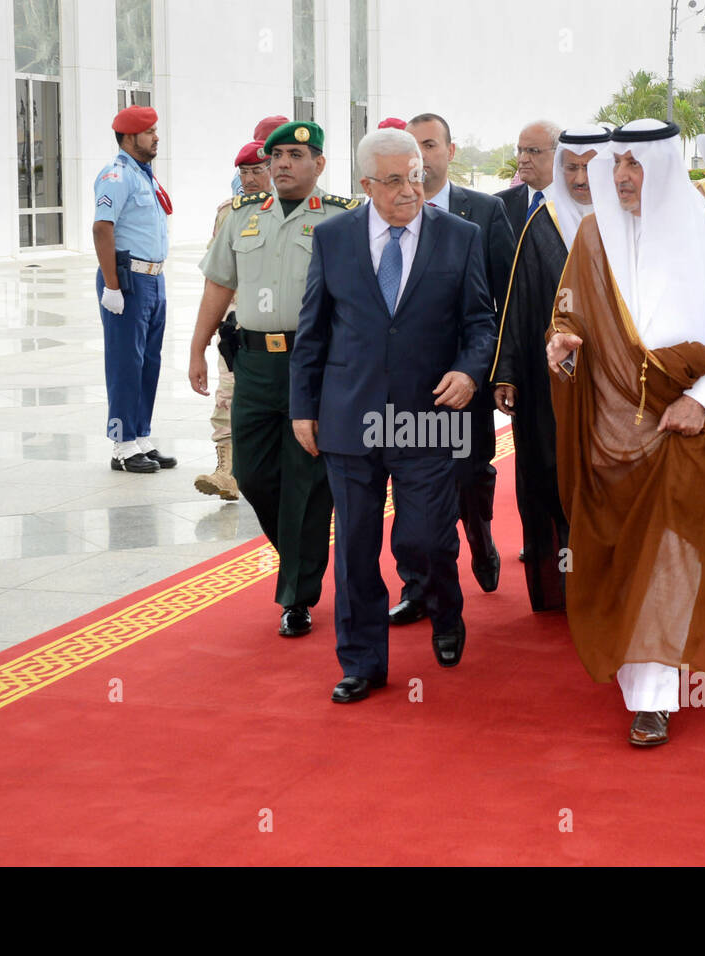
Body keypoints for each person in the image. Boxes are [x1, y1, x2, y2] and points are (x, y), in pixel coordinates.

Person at [546, 119, 705, 746]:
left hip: (683, 424)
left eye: (635, 166)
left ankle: (653, 696)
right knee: (621, 556)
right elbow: (569, 313)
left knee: (670, 550)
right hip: (610, 429)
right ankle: (635, 665)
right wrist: (560, 341)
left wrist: (702, 401)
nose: (621, 178)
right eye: (616, 166)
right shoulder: (593, 235)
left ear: (664, 167)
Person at [290, 128, 497, 702]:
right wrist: (302, 408)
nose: (410, 189)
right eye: (393, 181)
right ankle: (362, 661)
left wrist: (469, 371)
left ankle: (446, 609)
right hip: (348, 418)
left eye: (414, 176)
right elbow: (314, 330)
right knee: (354, 547)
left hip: (429, 417)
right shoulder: (332, 238)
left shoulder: (461, 237)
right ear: (364, 186)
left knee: (425, 538)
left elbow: (482, 323)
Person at [191, 120, 357, 638]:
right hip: (255, 363)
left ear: (319, 164)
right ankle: (301, 552)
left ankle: (297, 596)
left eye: (293, 156)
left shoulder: (341, 219)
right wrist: (197, 346)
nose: (281, 163)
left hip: (313, 366)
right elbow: (220, 284)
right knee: (256, 475)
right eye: (275, 155)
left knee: (306, 481)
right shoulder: (242, 218)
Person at [385, 112, 514, 626]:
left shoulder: (484, 211)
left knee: (466, 474)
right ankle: (419, 586)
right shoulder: (384, 210)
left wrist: (497, 370)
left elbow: (505, 298)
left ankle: (479, 534)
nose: (422, 156)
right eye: (413, 148)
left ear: (450, 151)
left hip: (466, 378)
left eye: (431, 145)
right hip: (404, 382)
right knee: (410, 488)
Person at [492, 124, 609, 612]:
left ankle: (614, 582)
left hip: (620, 381)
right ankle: (562, 587)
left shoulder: (629, 222)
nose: (580, 178)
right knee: (551, 473)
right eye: (571, 167)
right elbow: (518, 304)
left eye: (590, 166)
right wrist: (508, 372)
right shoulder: (544, 224)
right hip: (551, 382)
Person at [92, 105, 176, 475]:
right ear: (129, 138)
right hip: (127, 279)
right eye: (149, 132)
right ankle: (121, 444)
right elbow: (101, 228)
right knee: (126, 363)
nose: (156, 137)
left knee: (148, 361)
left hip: (153, 278)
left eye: (156, 130)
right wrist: (112, 285)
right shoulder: (116, 175)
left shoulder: (145, 176)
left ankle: (140, 434)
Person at [195, 139, 272, 501]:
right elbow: (217, 279)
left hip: (284, 326)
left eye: (258, 170)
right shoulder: (230, 212)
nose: (251, 179)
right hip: (238, 323)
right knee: (227, 393)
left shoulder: (307, 211)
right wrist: (200, 342)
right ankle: (225, 470)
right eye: (245, 172)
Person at [497, 120, 559, 237]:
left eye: (533, 151)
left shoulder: (575, 204)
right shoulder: (500, 204)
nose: (522, 159)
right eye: (520, 151)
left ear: (558, 154)